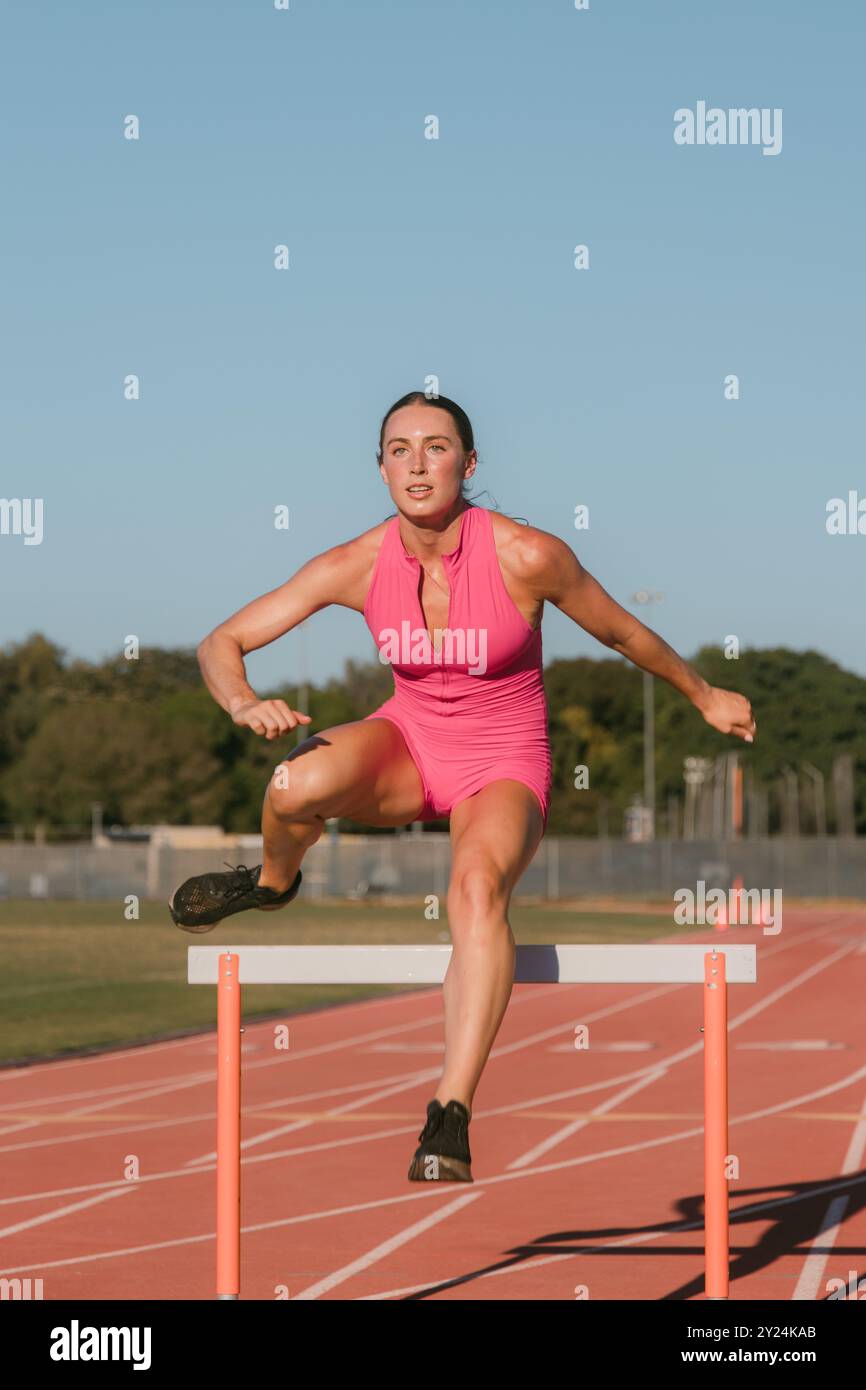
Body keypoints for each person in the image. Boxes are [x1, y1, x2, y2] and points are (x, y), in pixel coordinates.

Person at [169, 390, 756, 1183]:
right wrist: (242, 700)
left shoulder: (526, 555)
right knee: (292, 782)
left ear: (468, 464)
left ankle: (450, 1112)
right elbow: (222, 641)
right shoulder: (356, 563)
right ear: (380, 469)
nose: (417, 463)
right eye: (400, 449)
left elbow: (621, 630)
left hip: (503, 760)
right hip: (410, 745)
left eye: (436, 447)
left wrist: (703, 694)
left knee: (475, 891)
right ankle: (272, 885)